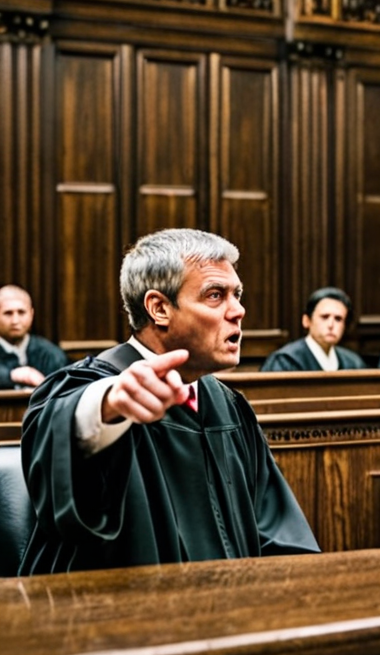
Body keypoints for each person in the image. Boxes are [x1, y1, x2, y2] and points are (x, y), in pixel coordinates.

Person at [19, 229, 320, 574]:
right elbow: (61, 424)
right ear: (159, 308)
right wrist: (109, 404)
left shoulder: (228, 406)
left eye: (236, 294)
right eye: (214, 295)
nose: (238, 310)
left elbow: (279, 537)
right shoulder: (92, 388)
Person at [261, 287, 367, 372]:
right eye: (324, 317)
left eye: (338, 319)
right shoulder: (285, 362)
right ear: (306, 321)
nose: (331, 325)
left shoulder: (353, 363)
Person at [0, 285, 69, 390]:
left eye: (21, 312)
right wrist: (12, 375)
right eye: (8, 313)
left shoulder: (51, 354)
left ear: (31, 314)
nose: (15, 321)